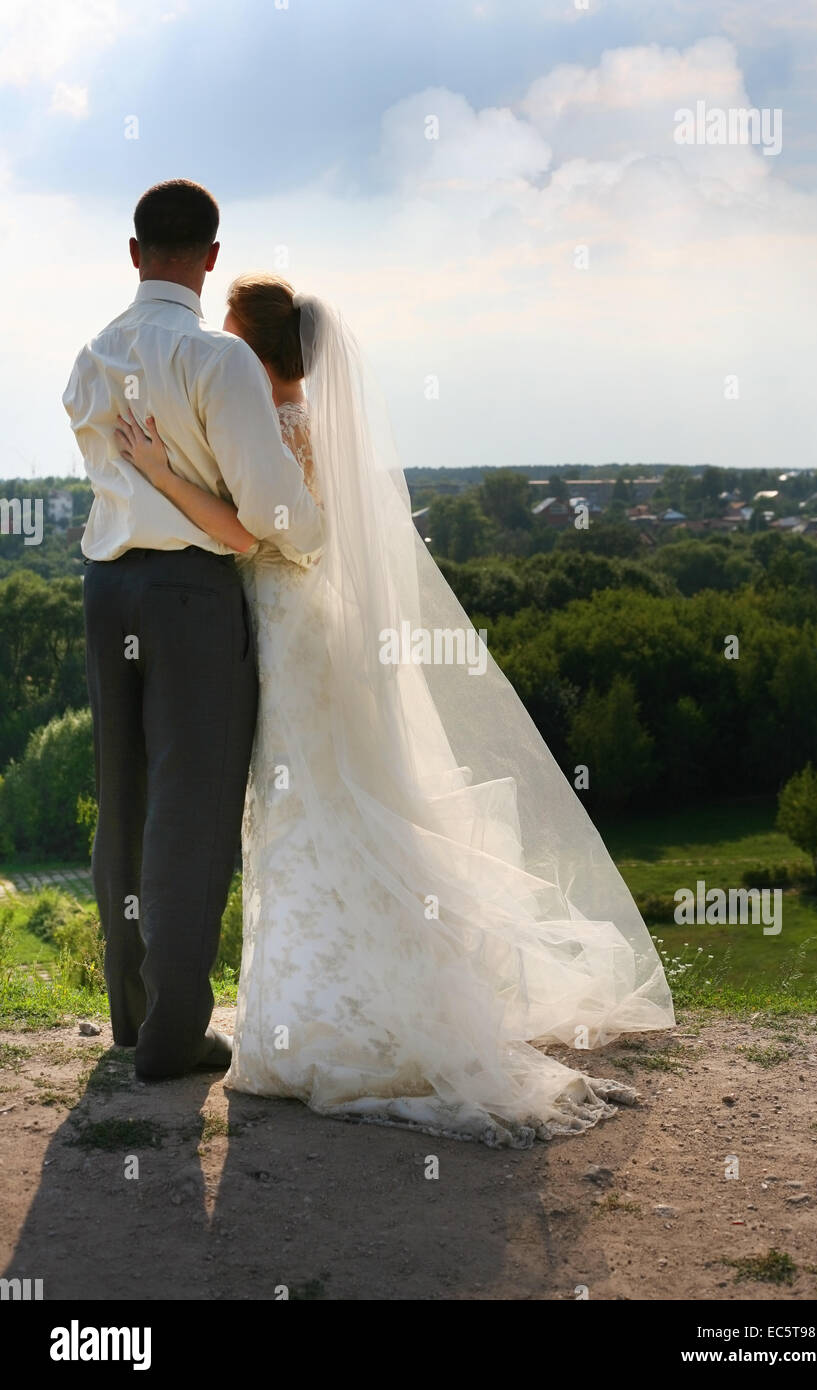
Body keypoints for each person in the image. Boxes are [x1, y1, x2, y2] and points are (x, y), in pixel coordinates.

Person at [115, 273, 675, 1147]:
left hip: (292, 634)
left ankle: (316, 1022)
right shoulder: (308, 425)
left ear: (255, 349)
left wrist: (156, 469)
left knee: (305, 810)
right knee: (316, 806)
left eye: (228, 333)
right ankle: (341, 1005)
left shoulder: (284, 427)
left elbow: (247, 529)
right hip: (307, 634)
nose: (219, 347)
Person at [63, 182, 324, 1081]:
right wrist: (316, 538)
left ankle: (133, 1021)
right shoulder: (219, 361)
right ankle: (176, 1035)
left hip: (107, 589)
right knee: (194, 806)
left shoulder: (94, 356)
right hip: (191, 595)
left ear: (134, 253)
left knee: (124, 799)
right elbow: (270, 507)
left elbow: (106, 464)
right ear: (211, 259)